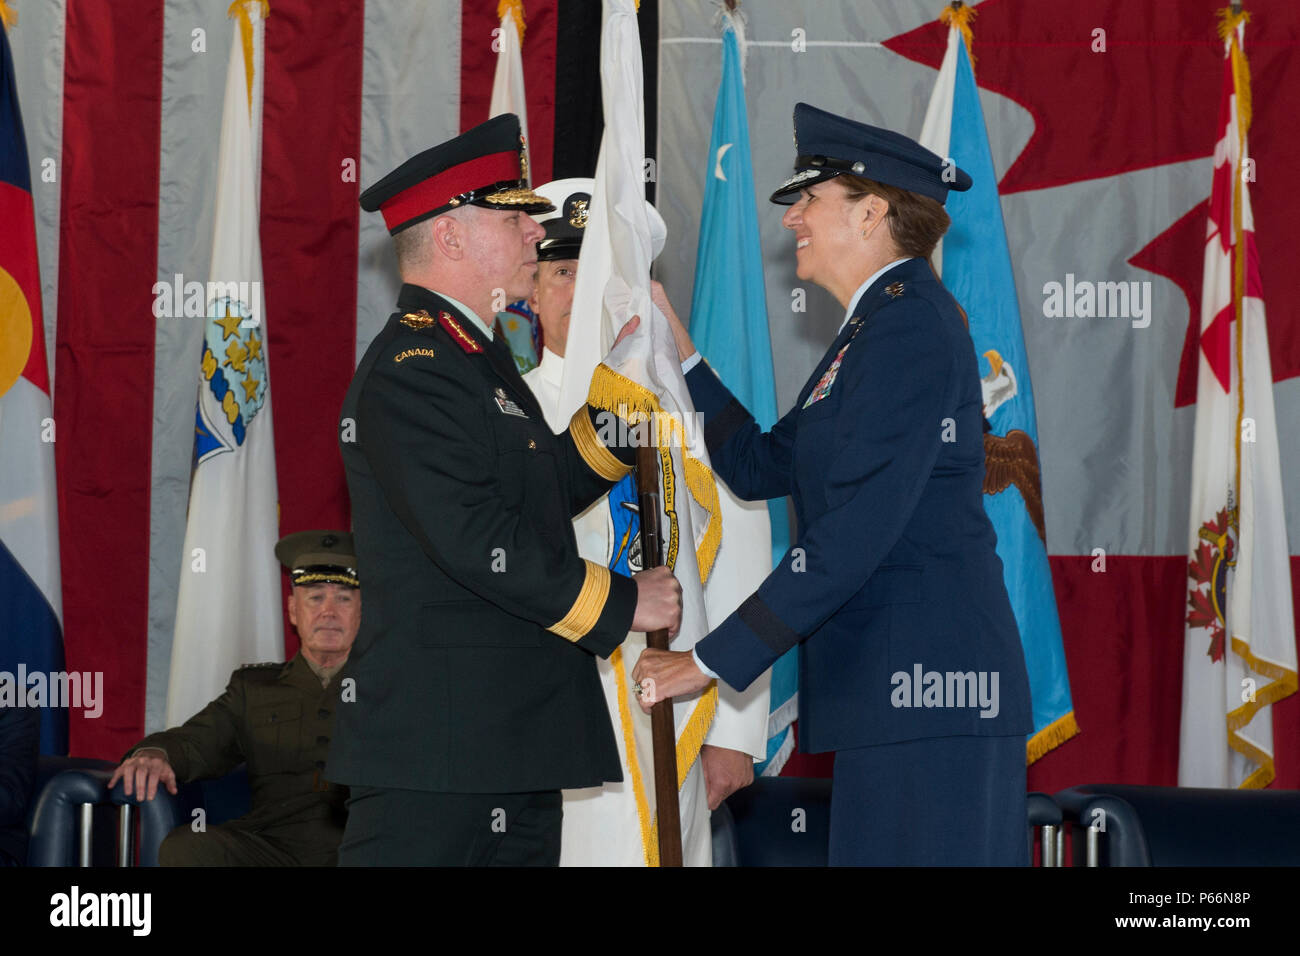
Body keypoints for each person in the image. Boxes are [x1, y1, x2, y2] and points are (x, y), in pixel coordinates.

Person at [632, 103, 1033, 865]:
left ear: (873, 211)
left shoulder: (908, 325)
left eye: (810, 200)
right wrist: (677, 350)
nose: (793, 221)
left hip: (932, 697)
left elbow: (855, 532)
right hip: (895, 698)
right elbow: (759, 463)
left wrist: (709, 662)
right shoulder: (874, 326)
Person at [330, 115, 683, 866]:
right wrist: (623, 605)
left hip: (505, 745)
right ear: (450, 237)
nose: (534, 234)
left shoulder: (472, 358)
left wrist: (620, 411)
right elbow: (476, 539)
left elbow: (540, 489)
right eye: (513, 217)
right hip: (441, 756)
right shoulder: (413, 367)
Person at [522, 179, 768, 866]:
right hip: (535, 715)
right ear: (531, 290)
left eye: (599, 272)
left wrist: (736, 732)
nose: (579, 291)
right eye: (563, 271)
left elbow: (743, 538)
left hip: (667, 700)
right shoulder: (503, 408)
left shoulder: (680, 400)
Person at [108, 530, 361, 866]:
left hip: (362, 845)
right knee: (189, 847)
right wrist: (155, 752)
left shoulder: (395, 689)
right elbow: (198, 742)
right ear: (293, 611)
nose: (328, 612)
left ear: (363, 612)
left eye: (343, 598)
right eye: (315, 597)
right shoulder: (254, 688)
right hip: (272, 847)